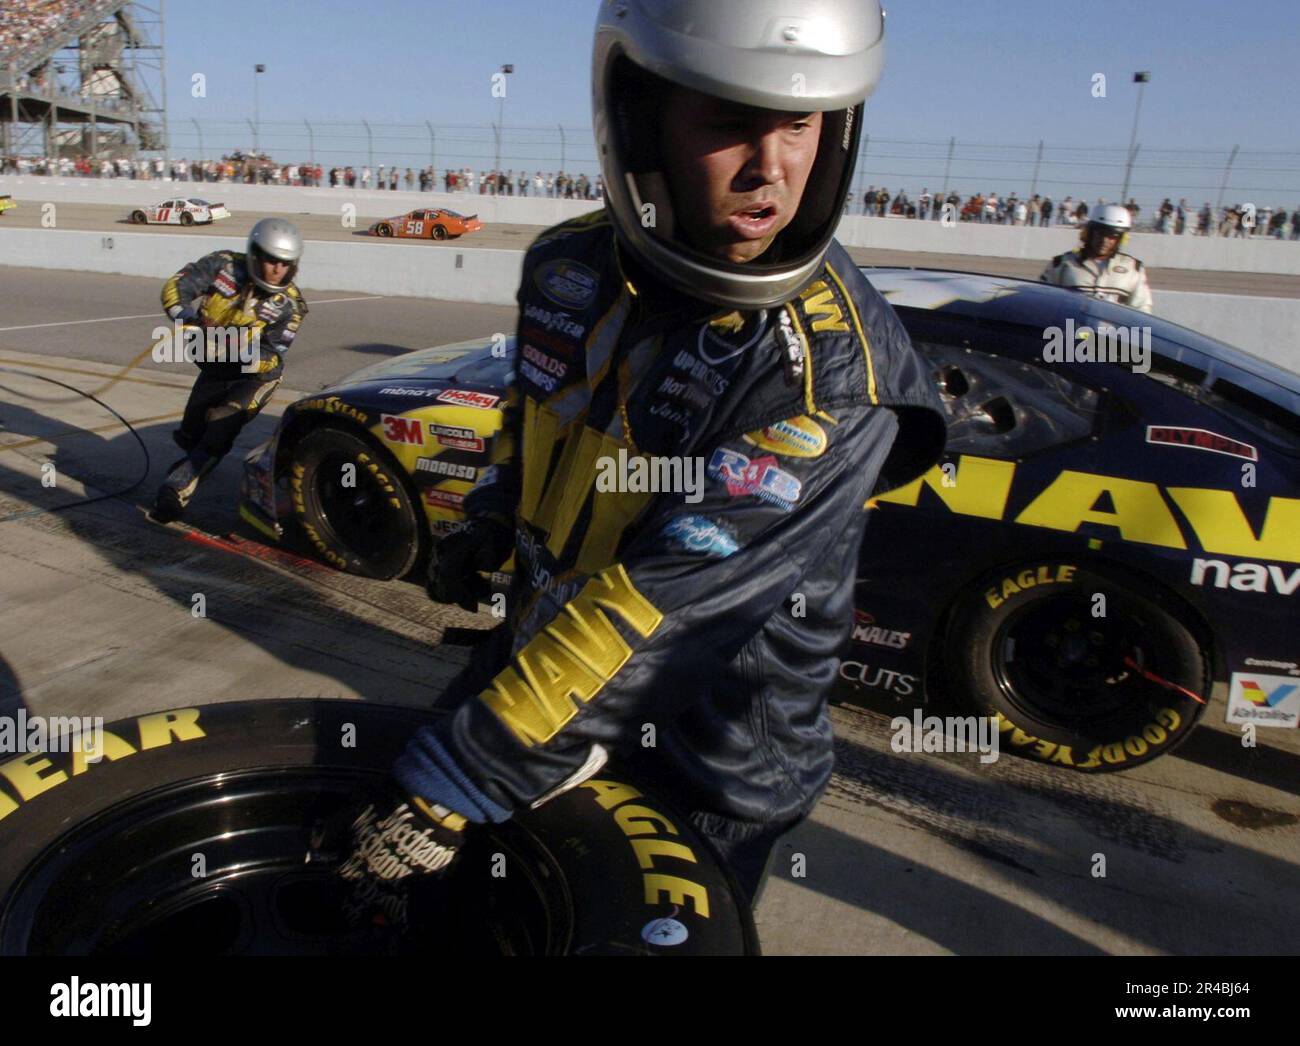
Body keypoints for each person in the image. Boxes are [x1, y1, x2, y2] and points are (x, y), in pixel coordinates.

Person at [339, 0, 947, 917]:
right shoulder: (565, 264)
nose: (769, 169)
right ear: (639, 116)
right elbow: (535, 413)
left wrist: (465, 774)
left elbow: (671, 599)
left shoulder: (833, 376)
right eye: (729, 122)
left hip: (711, 769)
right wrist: (493, 518)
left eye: (798, 126)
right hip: (546, 676)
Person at [152, 219, 307, 522]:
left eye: (284, 264)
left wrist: (230, 345)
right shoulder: (221, 265)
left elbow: (272, 355)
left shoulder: (290, 306)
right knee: (189, 435)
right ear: (254, 253)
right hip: (213, 369)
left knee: (220, 428)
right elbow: (174, 288)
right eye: (270, 260)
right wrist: (188, 318)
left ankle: (174, 492)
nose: (277, 269)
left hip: (255, 377)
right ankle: (194, 460)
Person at [1039, 202, 1153, 313]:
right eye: (1100, 233)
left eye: (1112, 236)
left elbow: (1143, 311)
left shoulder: (1134, 269)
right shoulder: (1061, 264)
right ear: (1089, 233)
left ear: (1121, 239)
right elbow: (1041, 302)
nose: (1104, 241)